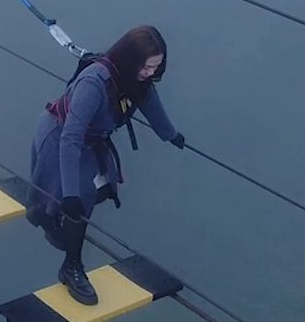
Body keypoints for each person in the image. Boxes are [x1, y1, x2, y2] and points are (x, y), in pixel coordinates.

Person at [25, 25, 186, 306]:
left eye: (156, 67)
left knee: (102, 188)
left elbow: (151, 105)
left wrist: (171, 135)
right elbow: (70, 138)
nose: (151, 73)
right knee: (76, 197)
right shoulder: (94, 83)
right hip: (59, 136)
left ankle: (51, 217)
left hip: (90, 141)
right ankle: (71, 267)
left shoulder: (135, 80)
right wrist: (73, 195)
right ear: (131, 59)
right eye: (147, 66)